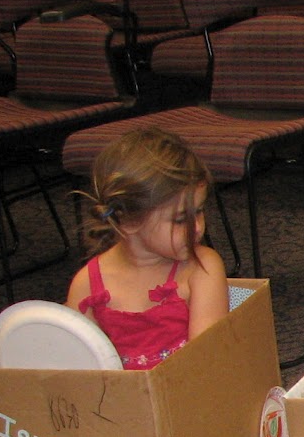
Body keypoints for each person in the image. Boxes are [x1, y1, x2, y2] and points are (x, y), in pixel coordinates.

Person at [65, 128, 228, 370]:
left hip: (189, 395)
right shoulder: (87, 284)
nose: (197, 227)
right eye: (181, 220)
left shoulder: (201, 267)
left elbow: (205, 363)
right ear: (129, 222)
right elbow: (77, 367)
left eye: (200, 211)